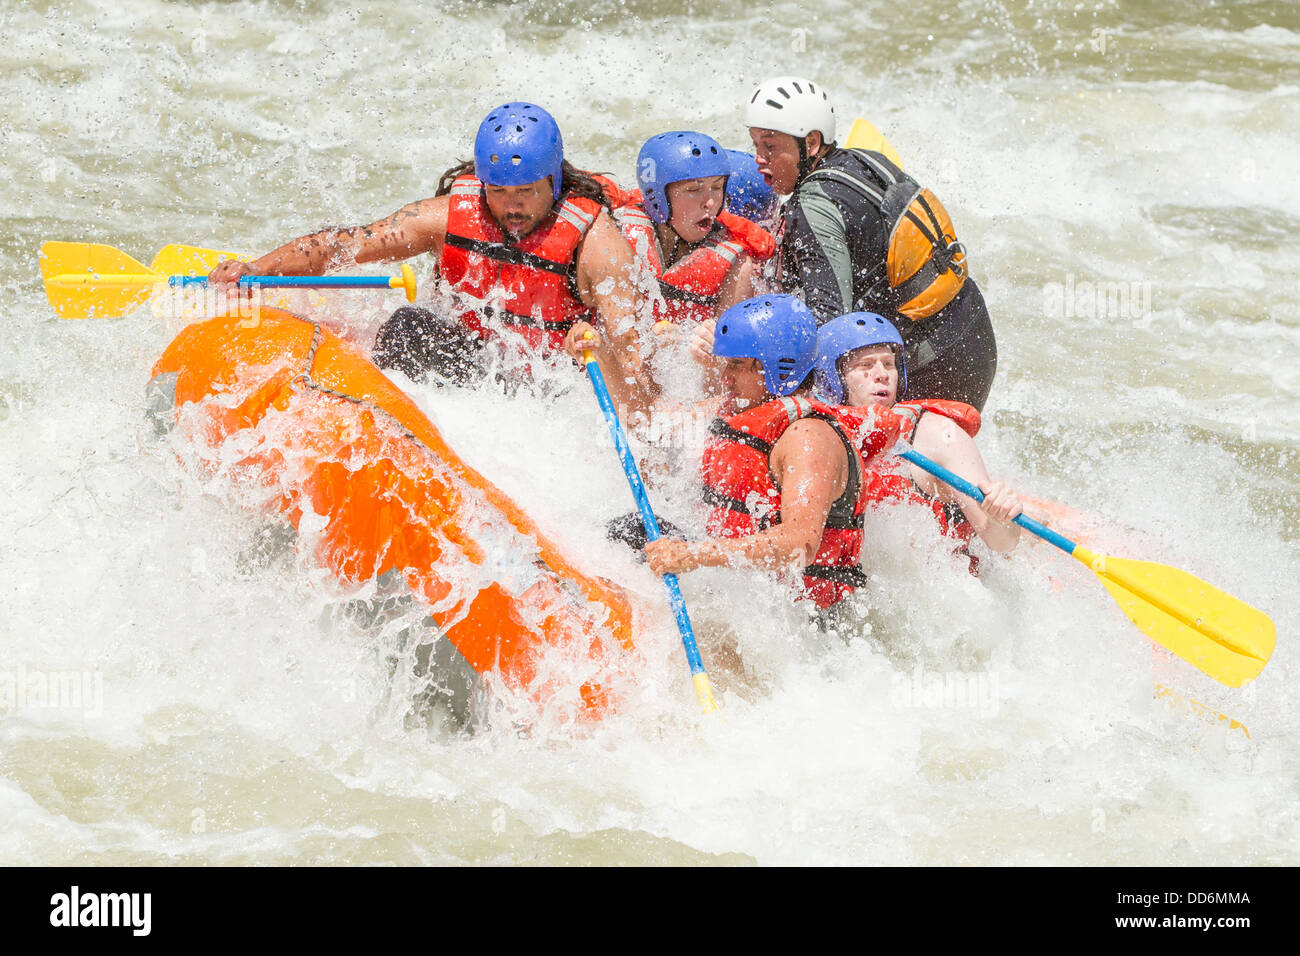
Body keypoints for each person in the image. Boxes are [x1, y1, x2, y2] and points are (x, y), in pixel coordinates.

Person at [209, 102, 645, 388]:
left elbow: (633, 362)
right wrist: (256, 270)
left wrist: (593, 349)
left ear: (554, 181)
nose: (512, 206)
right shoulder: (446, 217)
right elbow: (346, 244)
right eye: (498, 191)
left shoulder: (597, 248)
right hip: (474, 363)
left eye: (526, 192)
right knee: (409, 329)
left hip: (554, 387)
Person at [571, 295, 889, 614]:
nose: (725, 377)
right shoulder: (740, 411)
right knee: (630, 529)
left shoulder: (809, 437)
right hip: (742, 594)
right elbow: (644, 420)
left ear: (775, 368)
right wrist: (601, 354)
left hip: (804, 618)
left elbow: (800, 544)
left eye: (736, 364)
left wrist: (692, 555)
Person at [745, 76, 999, 411]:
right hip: (973, 331)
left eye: (770, 146)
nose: (759, 158)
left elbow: (830, 322)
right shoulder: (865, 160)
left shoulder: (813, 207)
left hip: (932, 364)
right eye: (756, 145)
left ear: (811, 143)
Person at [814, 311, 1022, 569]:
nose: (882, 374)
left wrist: (1003, 519)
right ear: (830, 379)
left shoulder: (939, 435)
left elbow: (999, 541)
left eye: (888, 364)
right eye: (866, 366)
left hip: (947, 578)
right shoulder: (813, 432)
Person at [615, 131, 771, 326]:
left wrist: (697, 343)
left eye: (717, 187)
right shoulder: (617, 235)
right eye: (693, 189)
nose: (710, 203)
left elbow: (731, 344)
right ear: (657, 196)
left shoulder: (737, 266)